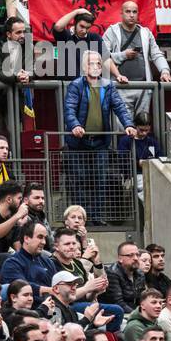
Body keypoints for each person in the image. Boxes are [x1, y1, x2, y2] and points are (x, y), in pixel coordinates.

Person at [63, 52, 136, 225]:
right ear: (84, 67)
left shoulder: (108, 86)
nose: (95, 67)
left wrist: (128, 125)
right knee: (78, 181)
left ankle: (96, 216)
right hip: (78, 143)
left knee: (100, 180)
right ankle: (78, 219)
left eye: (98, 63)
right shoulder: (76, 85)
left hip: (100, 142)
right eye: (91, 64)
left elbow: (120, 107)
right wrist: (74, 125)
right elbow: (69, 109)